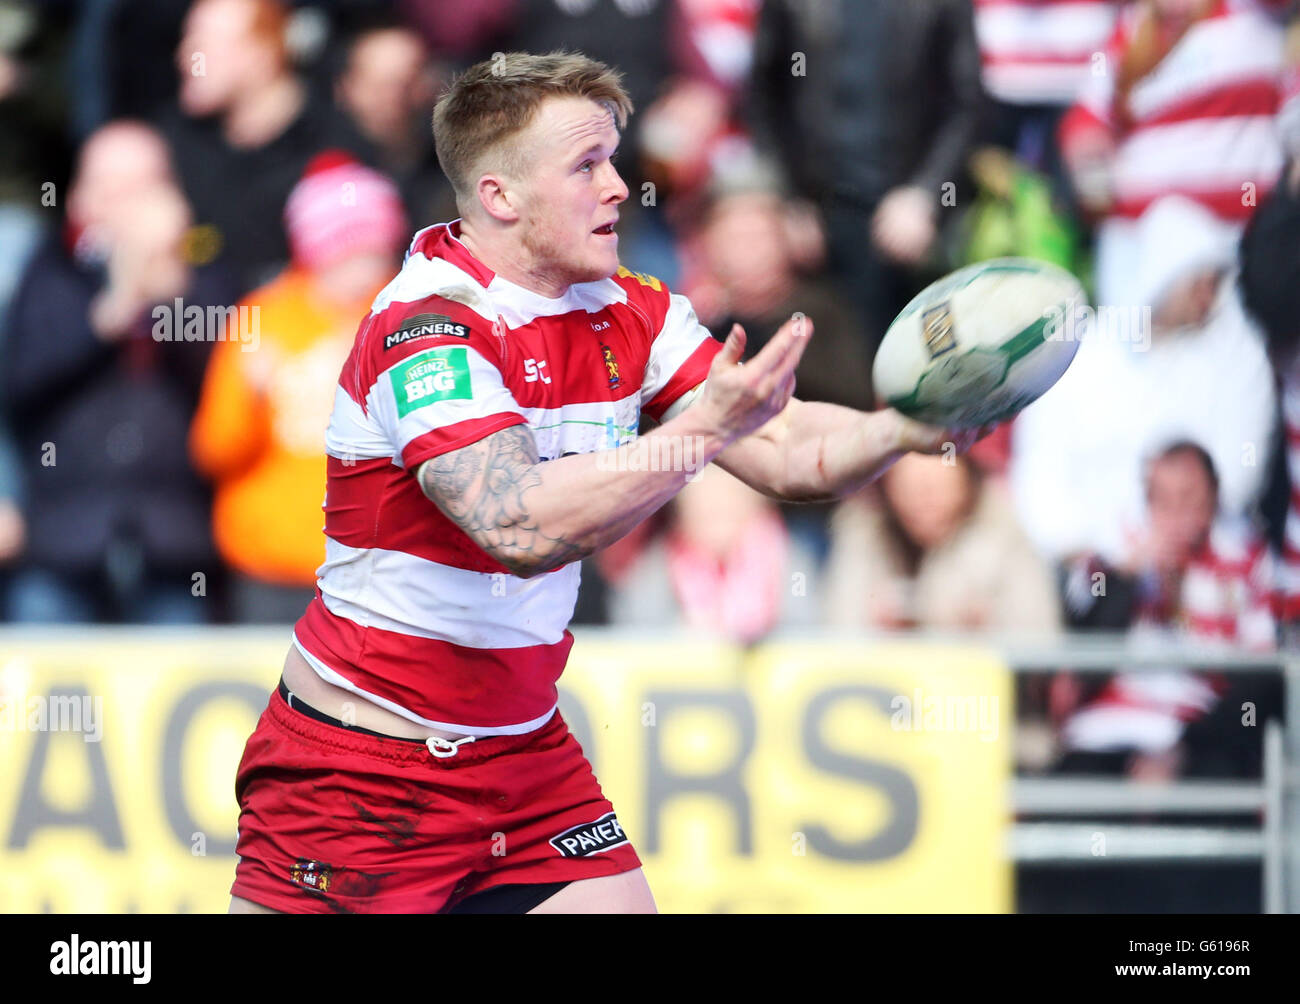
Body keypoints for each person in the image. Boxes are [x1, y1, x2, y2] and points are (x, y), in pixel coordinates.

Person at [228, 51, 987, 916]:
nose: (622, 187)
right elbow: (518, 529)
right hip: (359, 773)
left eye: (615, 158)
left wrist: (905, 429)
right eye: (587, 165)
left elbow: (784, 450)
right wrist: (700, 432)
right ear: (500, 196)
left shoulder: (632, 306)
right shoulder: (423, 328)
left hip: (521, 758)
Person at [1, 121, 233, 623]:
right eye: (108, 188)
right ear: (79, 198)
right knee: (51, 699)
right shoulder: (51, 269)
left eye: (140, 188)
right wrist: (115, 306)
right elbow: (23, 382)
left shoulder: (204, 273)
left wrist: (171, 289)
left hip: (177, 546)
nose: (124, 207)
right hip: (61, 543)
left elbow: (222, 387)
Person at [189, 153, 408, 623]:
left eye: (375, 251)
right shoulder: (263, 318)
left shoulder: (405, 316)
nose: (364, 269)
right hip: (274, 571)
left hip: (383, 568)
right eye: (348, 252)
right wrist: (249, 398)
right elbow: (213, 451)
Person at [824, 452, 1061, 633]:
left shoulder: (1005, 534)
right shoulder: (864, 534)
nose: (925, 496)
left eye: (936, 483)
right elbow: (836, 635)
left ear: (967, 475)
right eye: (910, 483)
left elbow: (1037, 645)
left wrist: (979, 631)